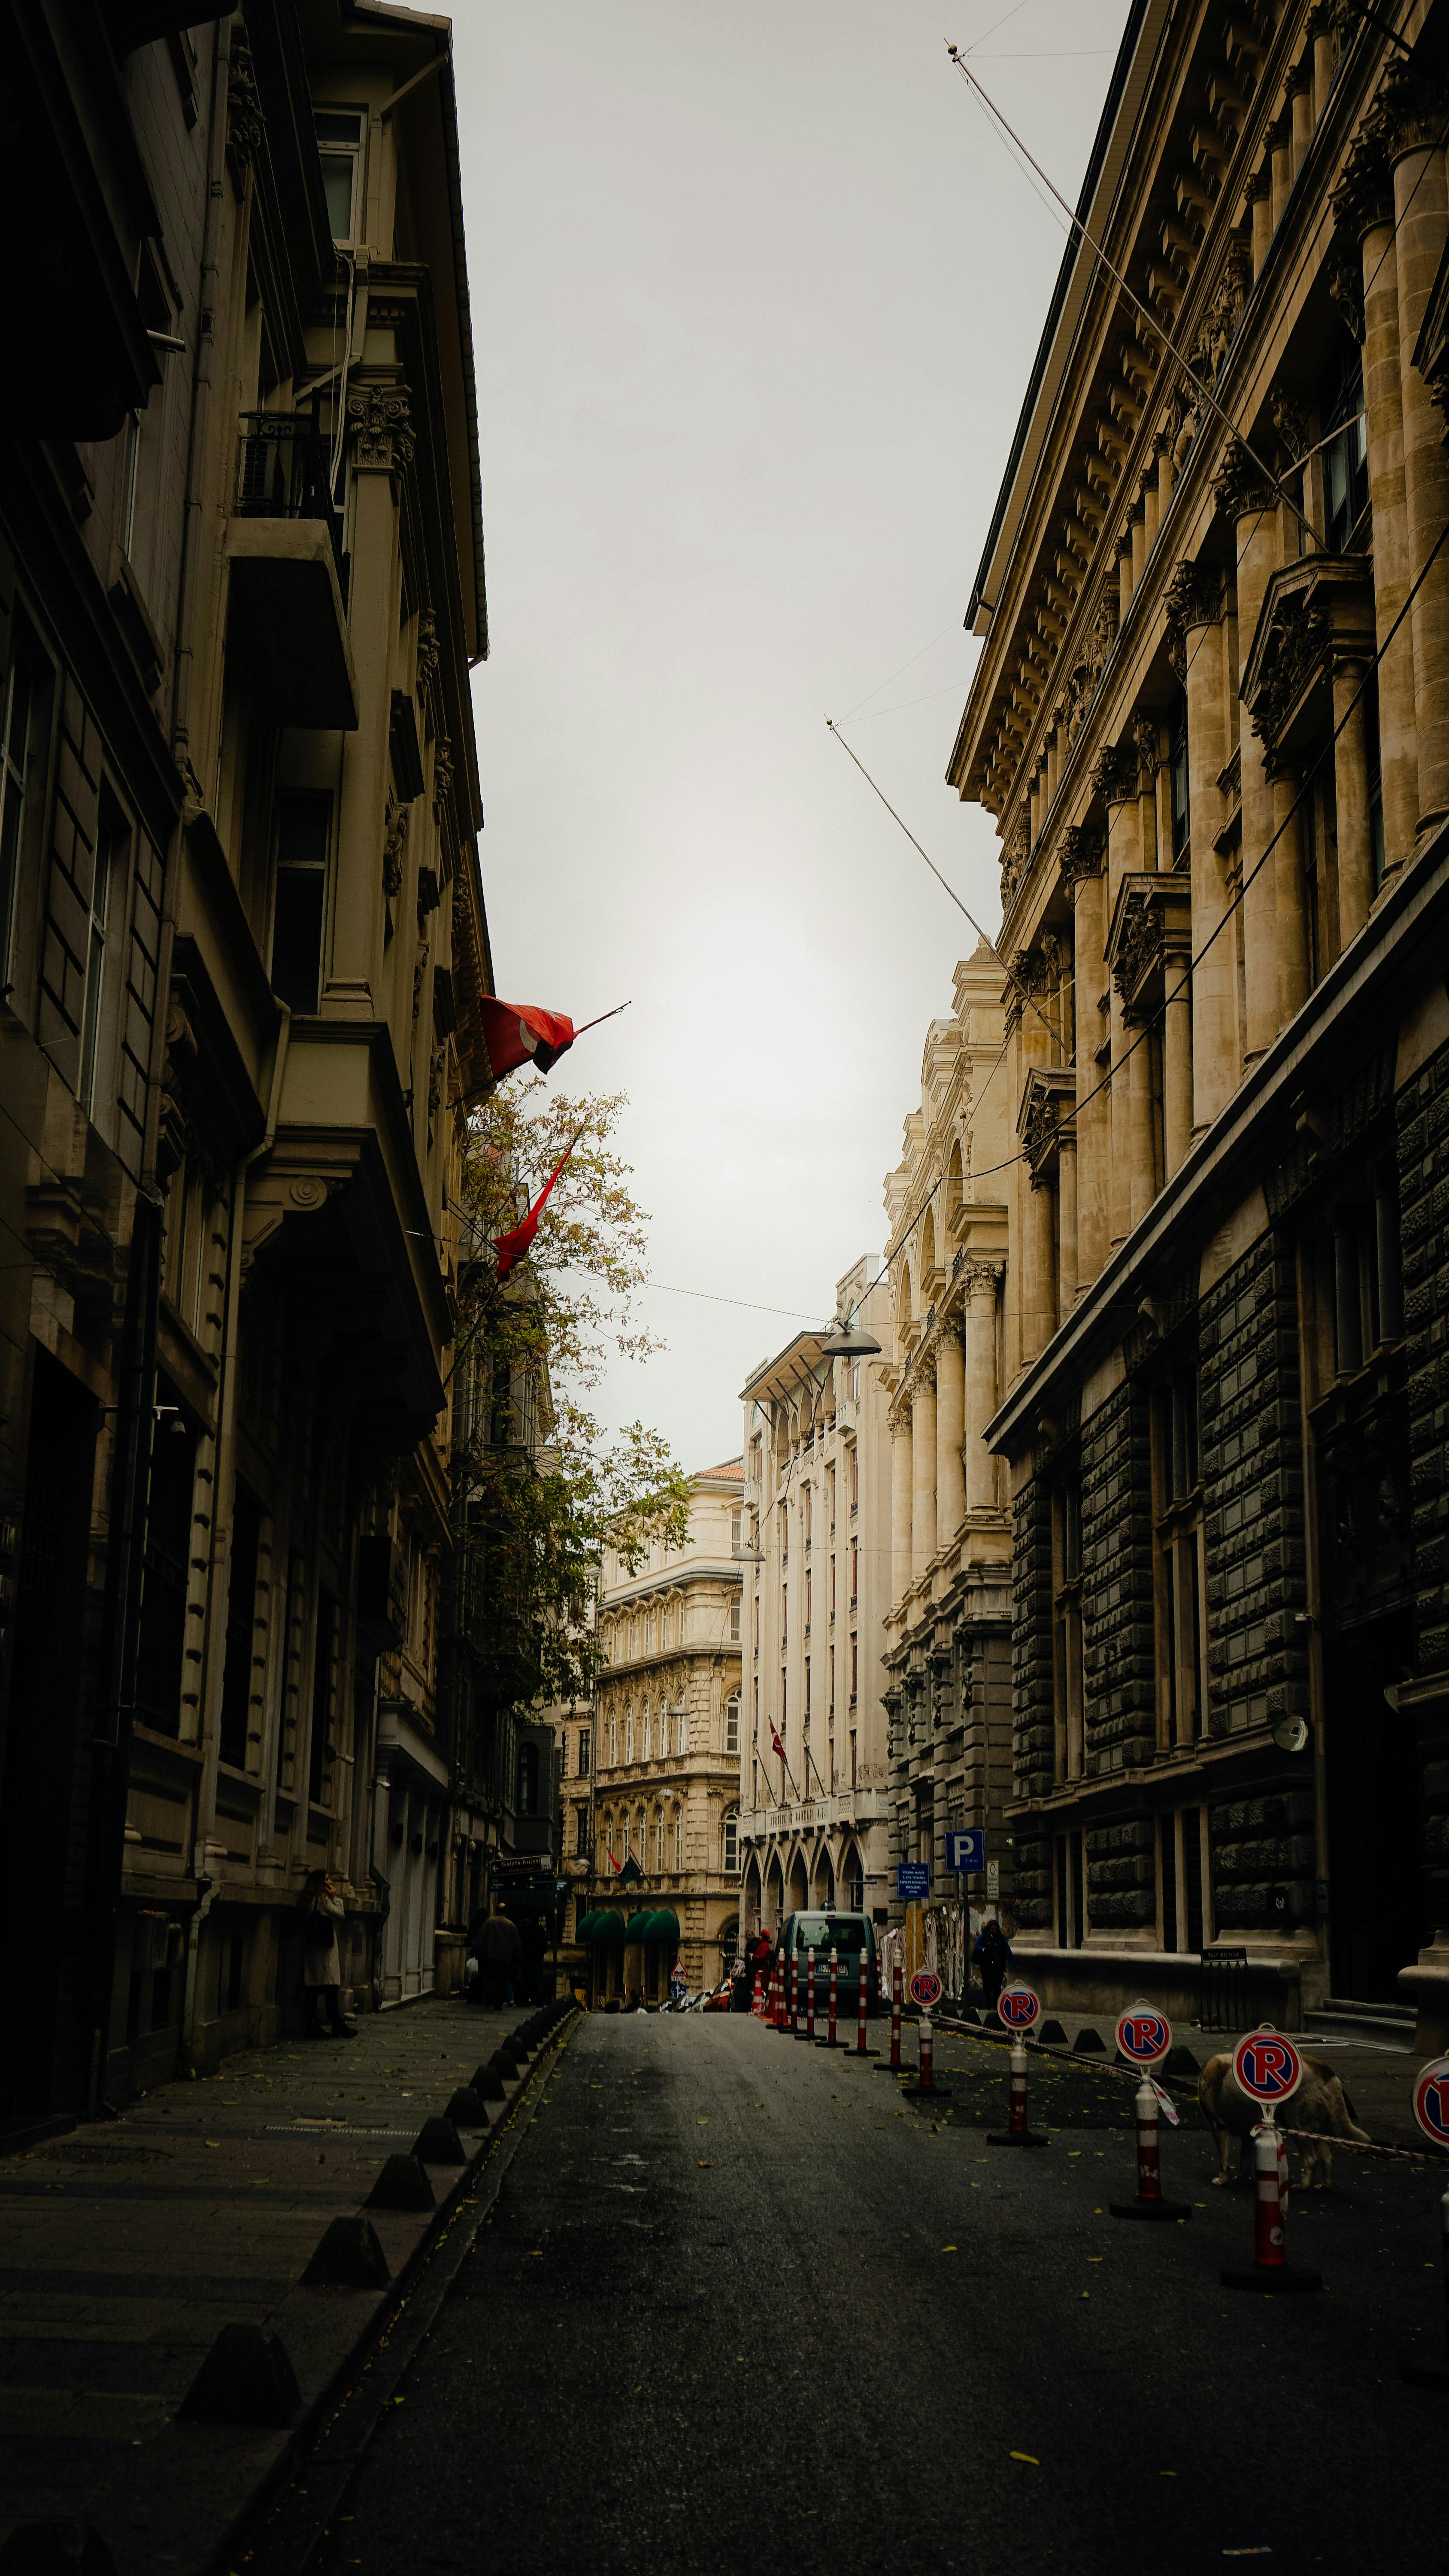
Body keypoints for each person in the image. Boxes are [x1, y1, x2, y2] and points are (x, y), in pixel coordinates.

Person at [300, 1870, 357, 2037]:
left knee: (313, 1988)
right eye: (327, 1880)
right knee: (331, 1987)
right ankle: (336, 2024)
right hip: (324, 1950)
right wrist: (335, 1897)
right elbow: (340, 1915)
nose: (331, 1882)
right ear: (321, 1884)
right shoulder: (323, 1901)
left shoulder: (309, 1899)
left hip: (312, 1948)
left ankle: (312, 2025)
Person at [480, 1901, 523, 2007]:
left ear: (496, 1911)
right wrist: (517, 1959)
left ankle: (488, 1999)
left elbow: (481, 1938)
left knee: (490, 1979)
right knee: (502, 1981)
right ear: (506, 1912)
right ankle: (498, 2003)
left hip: (490, 1956)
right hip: (505, 1959)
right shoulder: (511, 1925)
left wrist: (479, 1952)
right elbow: (517, 1944)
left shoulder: (489, 1923)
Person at [974, 1912, 1013, 2012]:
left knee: (997, 1986)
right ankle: (988, 2004)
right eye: (992, 1929)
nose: (994, 1931)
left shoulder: (1001, 1938)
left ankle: (996, 2005)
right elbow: (977, 1945)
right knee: (987, 1986)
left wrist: (1013, 1961)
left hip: (998, 1966)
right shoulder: (984, 1937)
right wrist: (982, 1949)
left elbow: (1007, 1950)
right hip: (986, 1966)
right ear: (989, 1929)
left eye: (995, 1929)